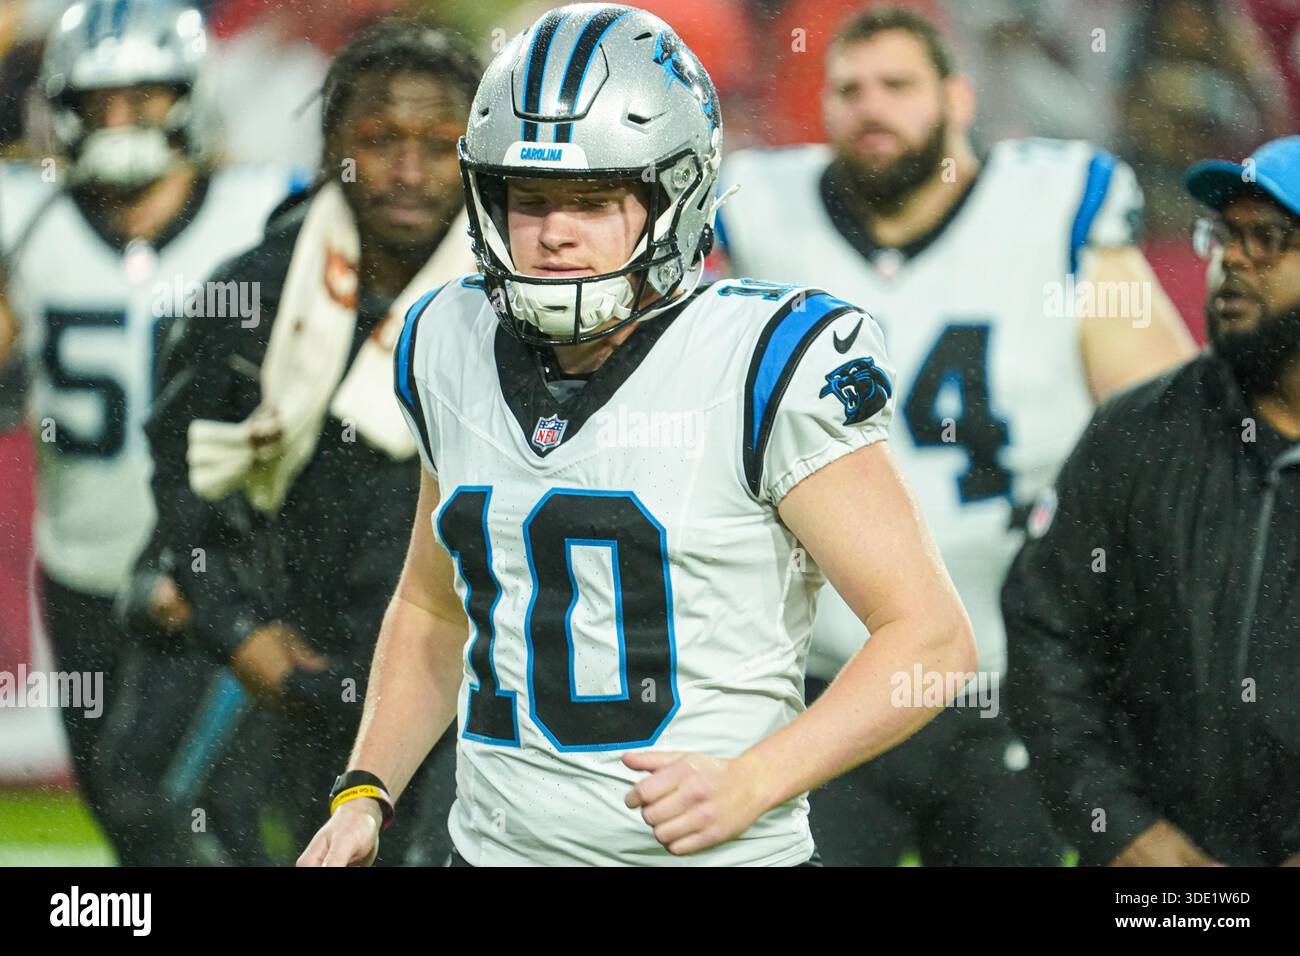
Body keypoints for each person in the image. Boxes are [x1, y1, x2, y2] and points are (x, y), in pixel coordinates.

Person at [298, 2, 976, 869]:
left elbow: (929, 637)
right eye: (528, 198)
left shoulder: (761, 361)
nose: (554, 234)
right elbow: (434, 603)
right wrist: (367, 789)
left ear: (676, 195)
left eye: (593, 199)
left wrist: (755, 780)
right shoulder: (443, 337)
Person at [716, 6, 1196, 865]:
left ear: (959, 97)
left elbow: (1170, 442)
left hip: (1017, 681)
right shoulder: (759, 212)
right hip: (828, 679)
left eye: (898, 85)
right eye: (848, 89)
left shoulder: (1053, 206)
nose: (872, 108)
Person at [142, 20, 481, 864]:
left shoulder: (521, 300)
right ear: (333, 145)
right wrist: (238, 631)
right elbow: (181, 485)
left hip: (482, 683)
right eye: (380, 140)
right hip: (306, 687)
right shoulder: (250, 294)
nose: (409, 171)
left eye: (440, 145)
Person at [0, 0, 292, 865]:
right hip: (82, 568)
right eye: (99, 103)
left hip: (224, 567)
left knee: (193, 804)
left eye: (142, 97)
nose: (120, 122)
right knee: (125, 818)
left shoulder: (264, 210)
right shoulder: (27, 215)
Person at [1003, 136, 1300, 867]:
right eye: (1222, 236)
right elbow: (1048, 642)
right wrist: (1124, 830)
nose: (1230, 260)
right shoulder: (1138, 432)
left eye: (1266, 240)